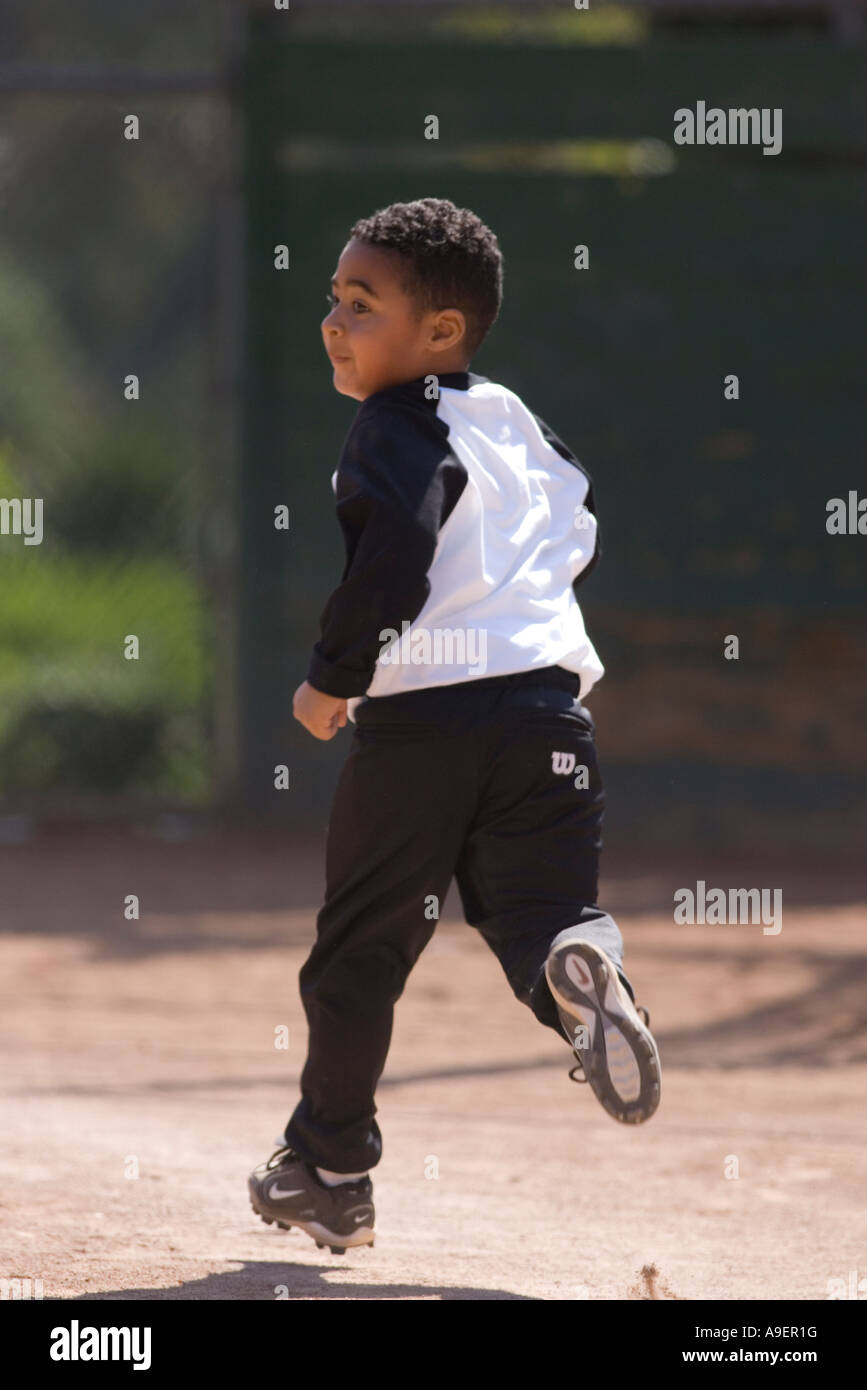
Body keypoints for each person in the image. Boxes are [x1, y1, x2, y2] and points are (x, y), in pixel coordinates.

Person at [248, 198, 661, 1254]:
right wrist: (524, 607)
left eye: (363, 303)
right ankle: (584, 970)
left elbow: (395, 550)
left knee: (361, 949)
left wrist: (333, 676)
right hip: (551, 714)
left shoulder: (393, 422)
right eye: (334, 300)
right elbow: (580, 518)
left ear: (439, 333)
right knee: (536, 913)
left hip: (425, 723)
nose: (335, 322)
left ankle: (333, 1168)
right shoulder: (515, 418)